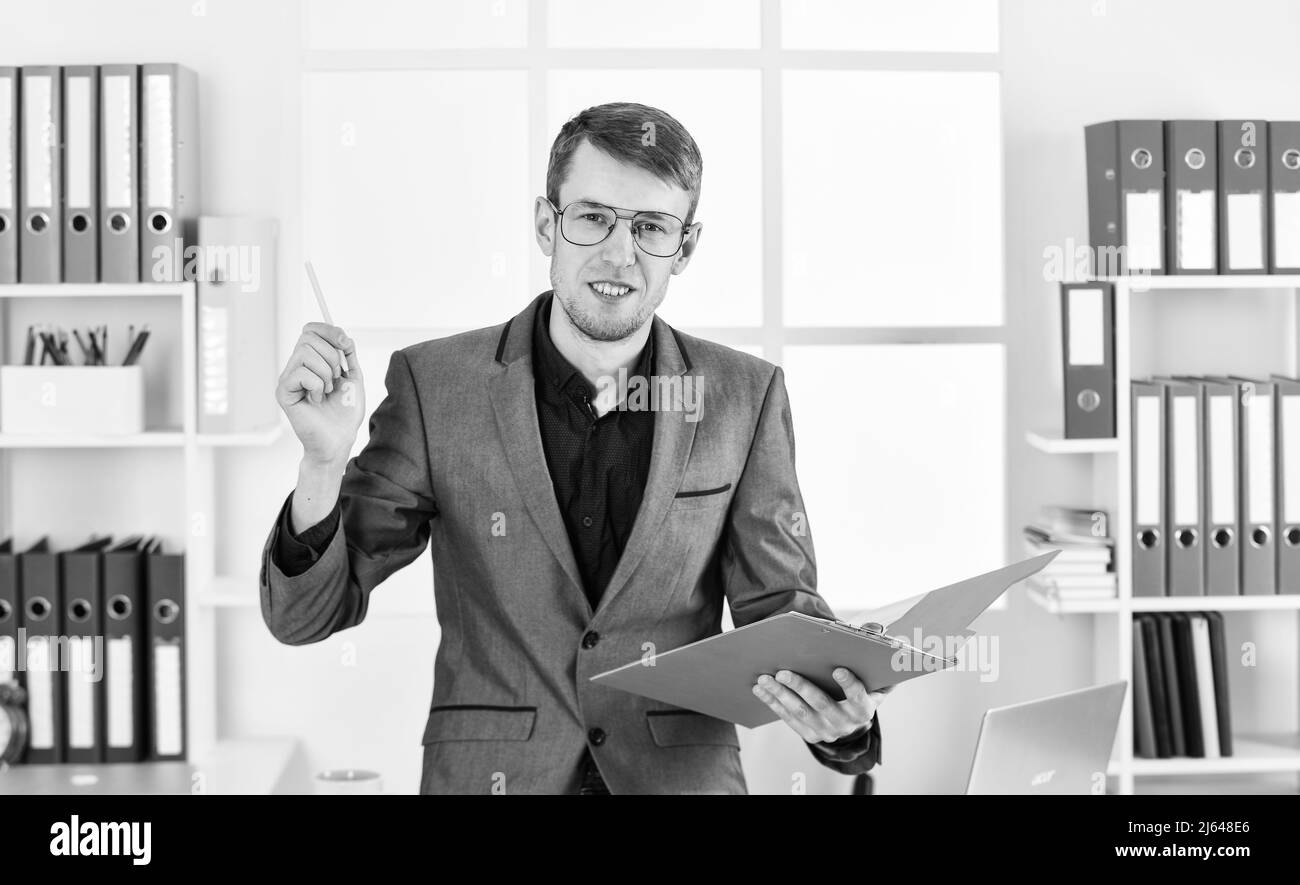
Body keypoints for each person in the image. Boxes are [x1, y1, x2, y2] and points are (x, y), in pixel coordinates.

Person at [261, 102, 888, 794]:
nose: (620, 254)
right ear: (544, 224)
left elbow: (781, 610)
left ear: (685, 246)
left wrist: (845, 722)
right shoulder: (435, 387)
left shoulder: (744, 394)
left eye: (651, 227)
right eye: (593, 218)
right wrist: (322, 461)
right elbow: (305, 615)